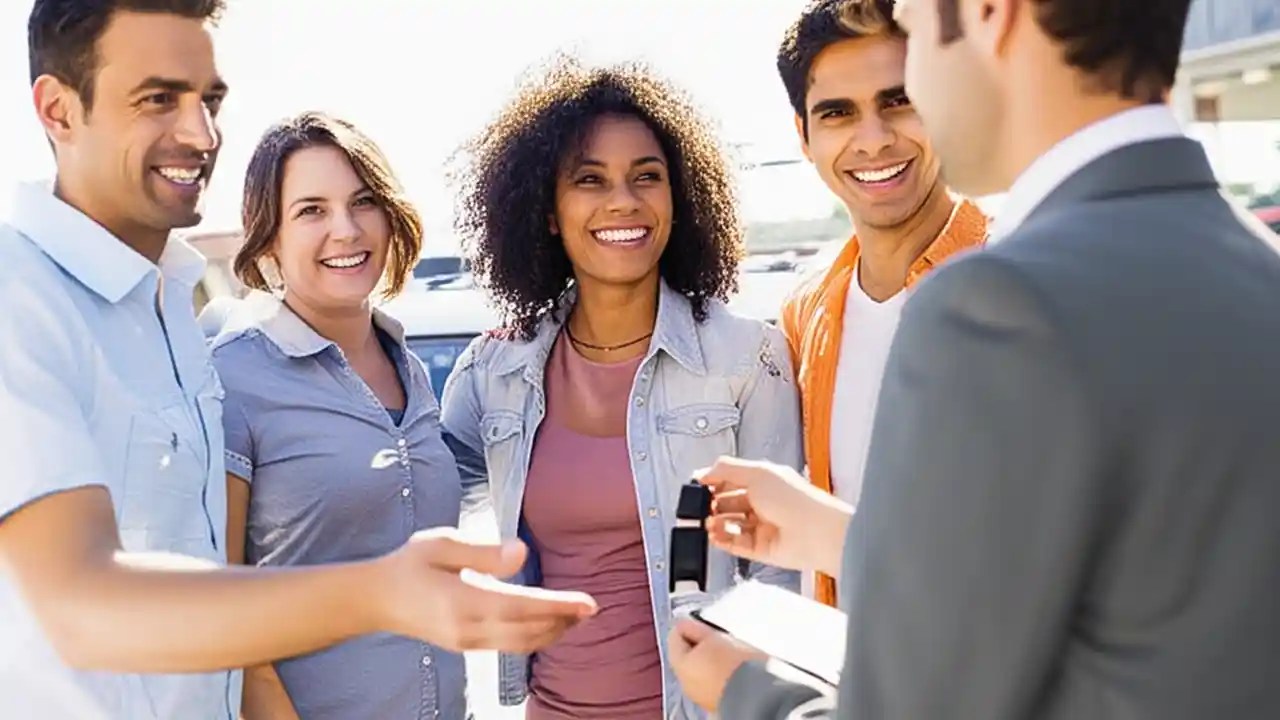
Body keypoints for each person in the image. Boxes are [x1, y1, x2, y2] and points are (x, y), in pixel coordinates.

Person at [669, 0, 1280, 717]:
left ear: (990, 13)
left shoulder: (996, 303)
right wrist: (841, 537)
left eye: (919, 28)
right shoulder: (1256, 270)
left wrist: (747, 691)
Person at [0, 3, 595, 718]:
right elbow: (79, 607)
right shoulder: (19, 295)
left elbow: (209, 585)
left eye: (209, 101)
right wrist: (381, 592)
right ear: (57, 110)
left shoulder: (170, 319)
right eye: (159, 98)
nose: (201, 134)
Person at [440, 55, 803, 720]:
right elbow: (408, 506)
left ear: (678, 197)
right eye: (589, 180)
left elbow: (782, 580)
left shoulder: (746, 356)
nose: (623, 202)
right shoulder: (497, 370)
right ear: (547, 211)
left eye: (647, 177)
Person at [204, 112, 474, 719]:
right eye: (311, 211)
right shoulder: (232, 379)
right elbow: (221, 612)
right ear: (268, 237)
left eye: (363, 202)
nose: (346, 230)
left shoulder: (407, 362)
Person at [774, 0, 987, 606]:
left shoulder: (1024, 289)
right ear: (804, 135)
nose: (873, 140)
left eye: (899, 100)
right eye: (838, 113)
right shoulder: (807, 313)